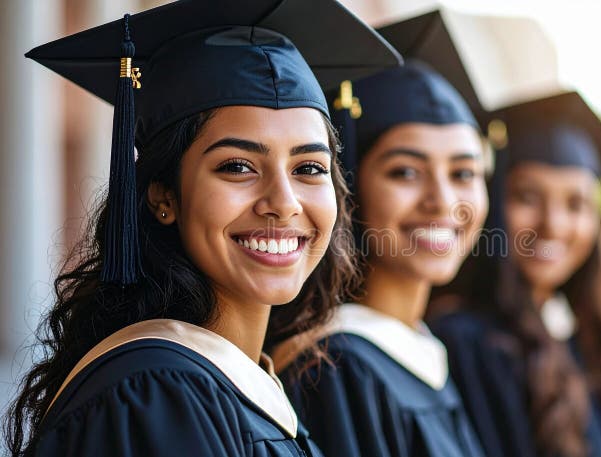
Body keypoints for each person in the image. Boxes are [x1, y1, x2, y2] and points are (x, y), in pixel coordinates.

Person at [4, 1, 401, 455]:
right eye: (237, 166)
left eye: (309, 168)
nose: (284, 203)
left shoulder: (249, 387)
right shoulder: (154, 394)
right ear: (163, 196)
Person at [272, 10, 488, 457]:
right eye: (405, 172)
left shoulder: (425, 353)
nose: (443, 201)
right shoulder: (335, 369)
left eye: (464, 172)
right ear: (346, 186)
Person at [431, 92, 601, 457]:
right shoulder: (468, 342)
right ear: (494, 205)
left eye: (576, 204)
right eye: (529, 198)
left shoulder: (588, 335)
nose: (553, 225)